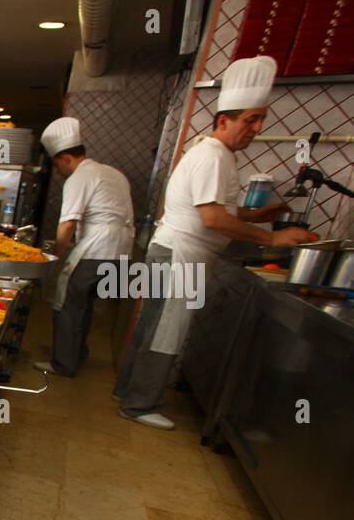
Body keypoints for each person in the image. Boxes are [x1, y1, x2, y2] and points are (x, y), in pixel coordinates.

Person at [113, 56, 315, 430]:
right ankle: (138, 404)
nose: (257, 128)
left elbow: (221, 210)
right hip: (181, 255)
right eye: (250, 120)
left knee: (153, 325)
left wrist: (260, 214)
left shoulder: (213, 154)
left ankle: (128, 390)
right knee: (166, 329)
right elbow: (213, 218)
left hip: (171, 250)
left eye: (260, 120)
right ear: (224, 120)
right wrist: (273, 238)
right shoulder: (213, 156)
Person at [33, 116, 134, 378]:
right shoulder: (113, 173)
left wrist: (54, 254)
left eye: (57, 166)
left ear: (66, 158)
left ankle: (63, 364)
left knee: (67, 303)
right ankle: (77, 353)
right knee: (85, 305)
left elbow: (67, 224)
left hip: (95, 251)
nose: (58, 172)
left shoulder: (79, 177)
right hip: (121, 255)